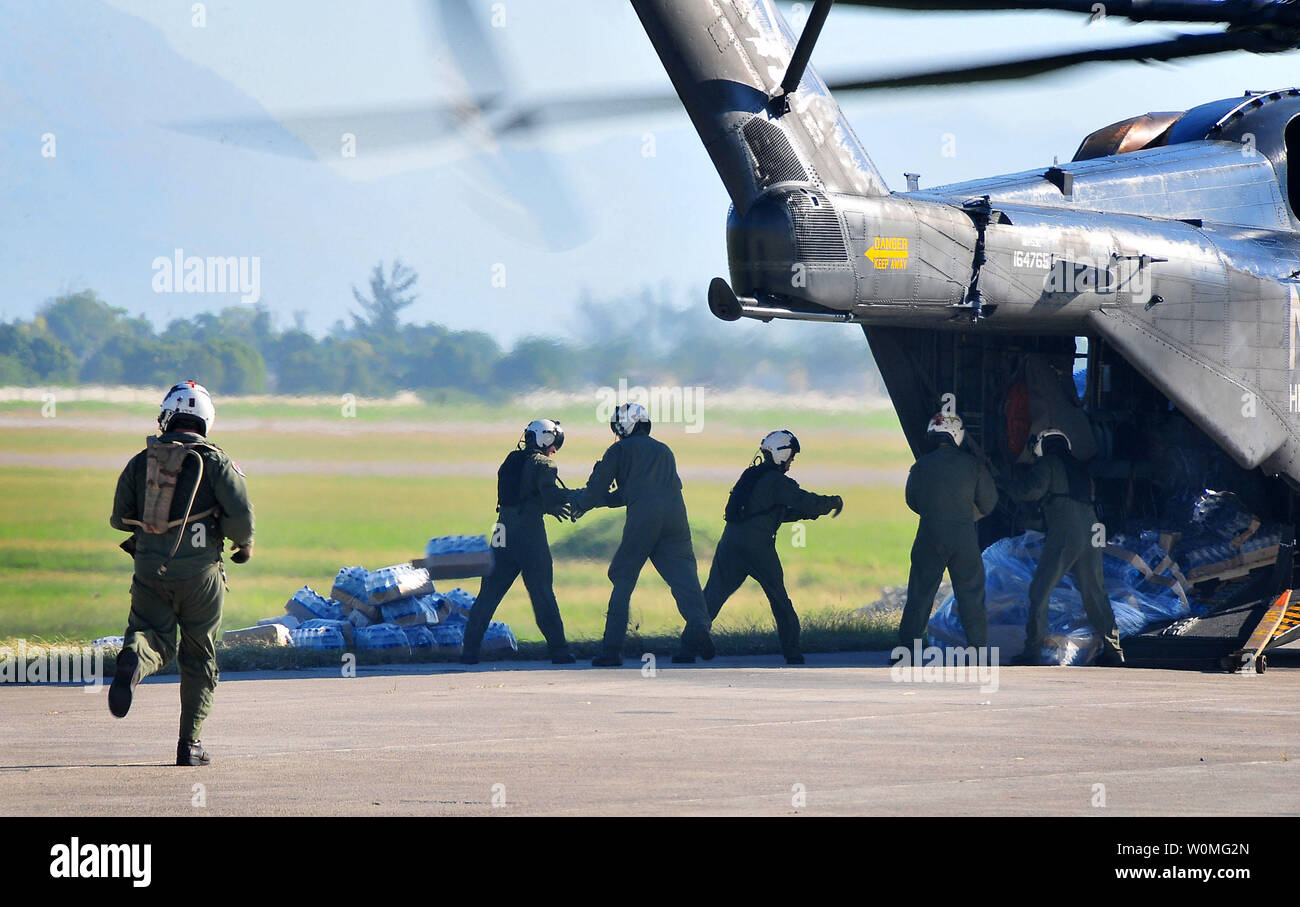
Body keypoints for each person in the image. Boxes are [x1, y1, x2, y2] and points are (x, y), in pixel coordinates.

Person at [108, 381, 255, 766]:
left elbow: (118, 518)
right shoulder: (217, 461)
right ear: (205, 420)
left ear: (168, 417)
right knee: (198, 655)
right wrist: (244, 546)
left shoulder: (142, 461)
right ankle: (189, 745)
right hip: (202, 577)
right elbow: (240, 514)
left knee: (152, 636)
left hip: (150, 570)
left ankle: (134, 662)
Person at [573, 402, 714, 666]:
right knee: (685, 579)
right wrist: (603, 500)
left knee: (623, 578)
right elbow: (634, 492)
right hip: (676, 519)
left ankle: (611, 651)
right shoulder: (664, 450)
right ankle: (698, 633)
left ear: (625, 425)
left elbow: (598, 490)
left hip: (643, 521)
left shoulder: (619, 450)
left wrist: (581, 504)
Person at [702, 430, 842, 664]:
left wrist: (810, 514)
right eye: (792, 457)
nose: (791, 462)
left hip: (729, 543)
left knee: (712, 596)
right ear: (782, 454)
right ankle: (792, 652)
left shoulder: (750, 477)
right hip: (758, 548)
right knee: (779, 599)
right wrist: (832, 503)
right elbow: (805, 502)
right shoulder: (778, 482)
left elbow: (773, 512)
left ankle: (688, 647)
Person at [1001, 429, 1125, 666]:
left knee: (1040, 591)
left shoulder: (1049, 463)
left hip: (1066, 533)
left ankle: (1032, 651)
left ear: (1043, 446)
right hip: (1092, 531)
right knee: (1095, 593)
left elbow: (1031, 491)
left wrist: (1006, 483)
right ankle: (1114, 650)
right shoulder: (1079, 467)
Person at [462, 419, 580, 665]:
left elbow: (518, 495)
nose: (555, 450)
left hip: (501, 529)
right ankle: (559, 651)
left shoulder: (510, 460)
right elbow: (548, 496)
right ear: (546, 440)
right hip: (528, 532)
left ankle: (469, 651)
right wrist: (578, 495)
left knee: (488, 594)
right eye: (555, 444)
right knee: (542, 593)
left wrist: (548, 506)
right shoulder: (544, 464)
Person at [898, 412, 997, 658]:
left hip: (929, 535)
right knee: (971, 595)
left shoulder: (920, 465)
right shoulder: (972, 465)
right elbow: (989, 503)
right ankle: (978, 653)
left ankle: (906, 650)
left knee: (920, 595)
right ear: (957, 436)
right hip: (964, 538)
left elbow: (912, 501)